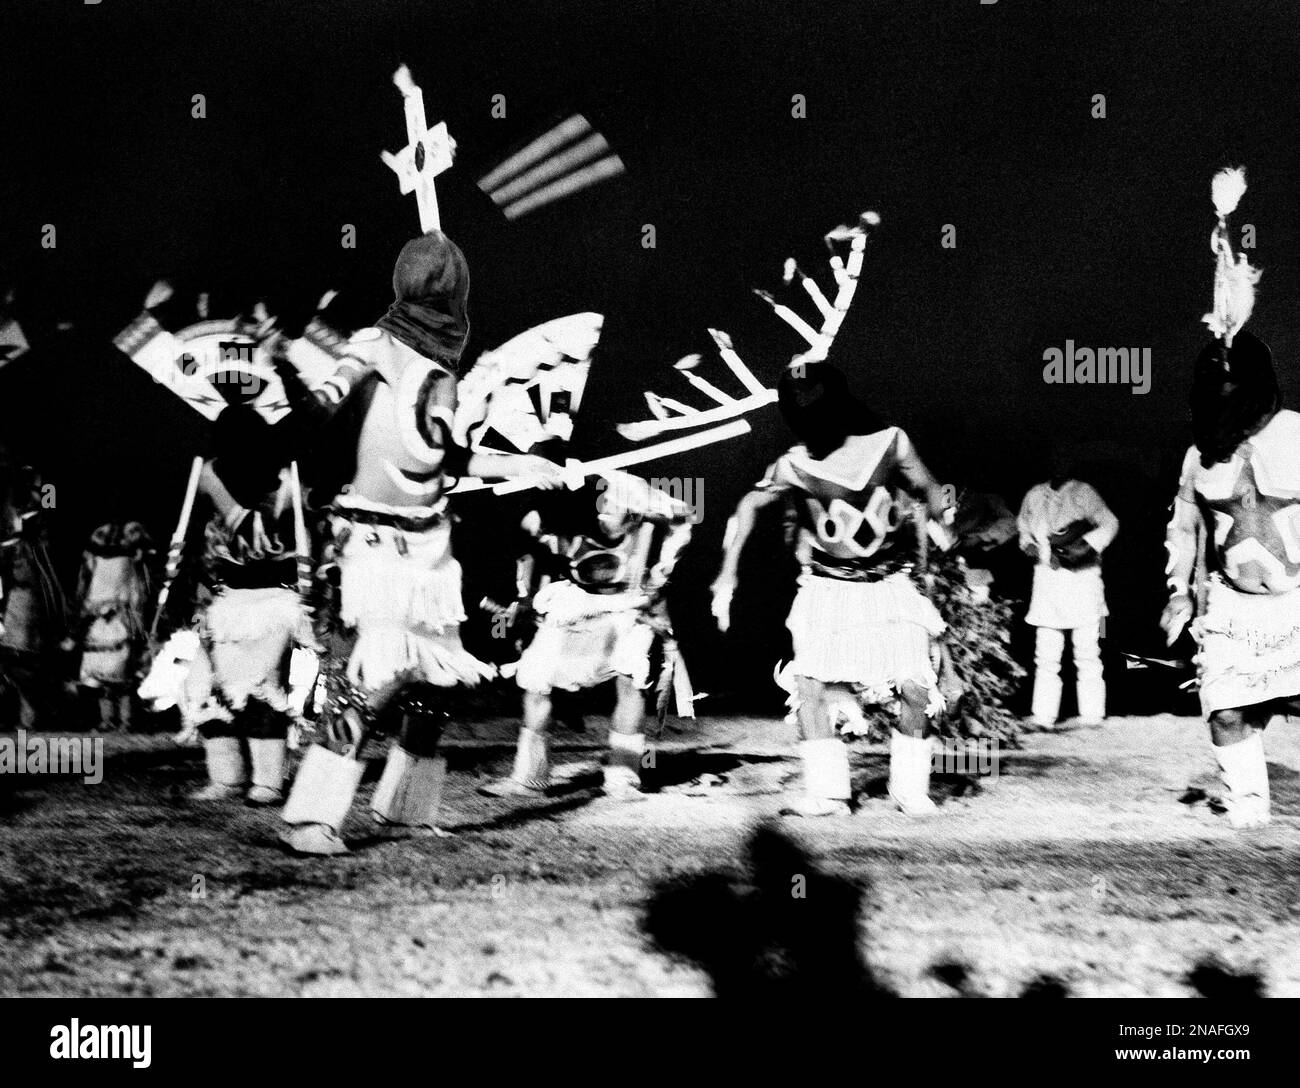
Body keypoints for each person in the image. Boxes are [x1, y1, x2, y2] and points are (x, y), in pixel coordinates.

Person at [277, 231, 561, 855]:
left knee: (435, 682)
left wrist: (522, 468)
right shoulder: (377, 344)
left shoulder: (445, 372)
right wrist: (309, 409)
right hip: (373, 543)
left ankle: (405, 807)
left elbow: (444, 459)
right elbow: (330, 396)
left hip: (432, 550)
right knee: (372, 680)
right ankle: (310, 817)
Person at [711, 363, 951, 817]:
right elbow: (749, 502)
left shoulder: (889, 443)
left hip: (888, 585)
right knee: (810, 685)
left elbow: (933, 488)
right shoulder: (793, 464)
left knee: (915, 685)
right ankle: (827, 793)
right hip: (826, 589)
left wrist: (946, 514)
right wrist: (728, 571)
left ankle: (910, 789)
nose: (809, 427)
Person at [480, 472, 694, 800]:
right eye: (604, 500)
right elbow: (524, 542)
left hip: (627, 605)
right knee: (536, 681)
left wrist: (661, 573)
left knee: (632, 681)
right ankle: (529, 779)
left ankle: (622, 778)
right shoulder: (573, 524)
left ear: (635, 509)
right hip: (576, 604)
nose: (605, 508)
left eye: (615, 502)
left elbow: (684, 519)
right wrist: (523, 592)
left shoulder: (649, 524)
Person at [142, 406, 313, 805]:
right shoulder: (207, 483)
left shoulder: (285, 486)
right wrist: (178, 596)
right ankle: (227, 776)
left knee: (260, 690)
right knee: (206, 690)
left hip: (273, 605)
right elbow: (189, 544)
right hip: (222, 604)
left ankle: (268, 781)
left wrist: (214, 488)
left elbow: (257, 537)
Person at [1016, 455, 1118, 729]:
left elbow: (1110, 523)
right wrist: (1031, 548)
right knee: (1047, 654)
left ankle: (1092, 714)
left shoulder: (1084, 492)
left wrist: (1084, 547)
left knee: (1087, 650)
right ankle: (1044, 715)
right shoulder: (1035, 495)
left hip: (1081, 581)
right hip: (1048, 581)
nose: (1058, 464)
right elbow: (1023, 531)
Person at [71, 521, 153, 731]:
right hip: (114, 624)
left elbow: (87, 596)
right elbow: (137, 597)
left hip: (106, 624)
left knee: (110, 679)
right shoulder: (126, 563)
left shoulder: (98, 563)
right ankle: (116, 721)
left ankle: (116, 720)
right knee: (116, 678)